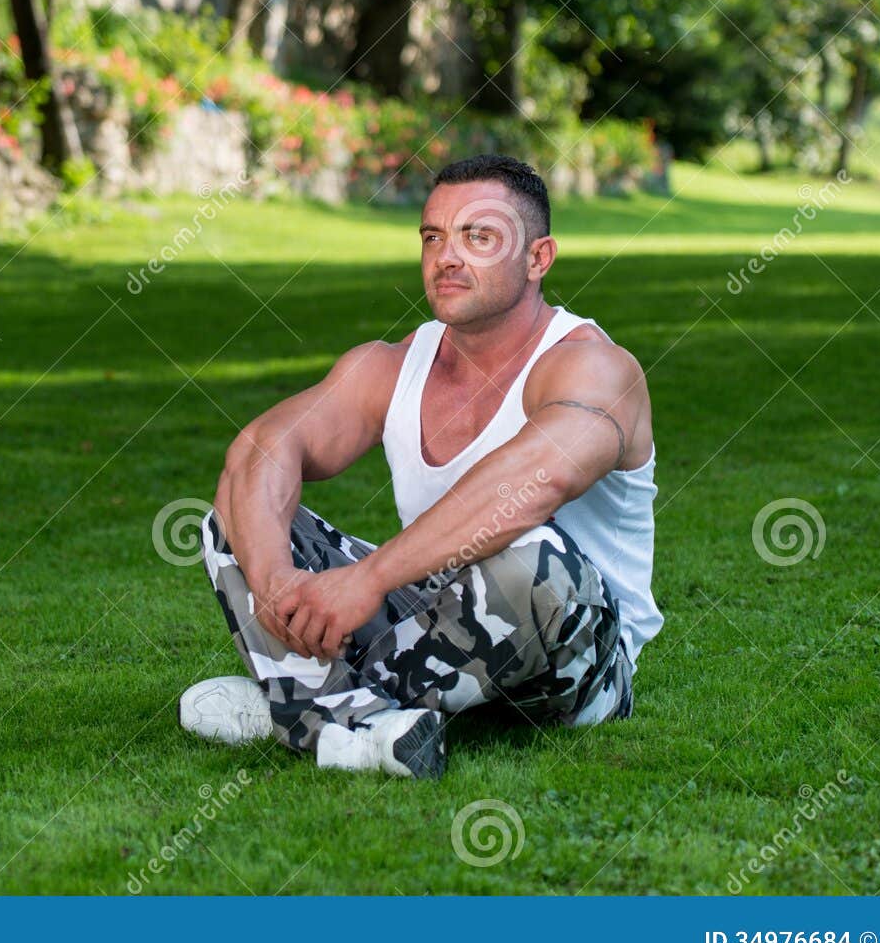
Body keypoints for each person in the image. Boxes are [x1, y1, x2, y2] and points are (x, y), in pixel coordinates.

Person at [180, 154, 660, 778]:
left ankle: (303, 706)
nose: (447, 257)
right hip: (435, 618)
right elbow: (262, 449)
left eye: (479, 237)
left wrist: (369, 578)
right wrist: (273, 583)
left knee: (534, 551)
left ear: (538, 258)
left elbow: (537, 482)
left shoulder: (595, 368)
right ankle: (365, 727)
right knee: (239, 518)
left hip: (574, 667)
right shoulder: (390, 364)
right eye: (433, 236)